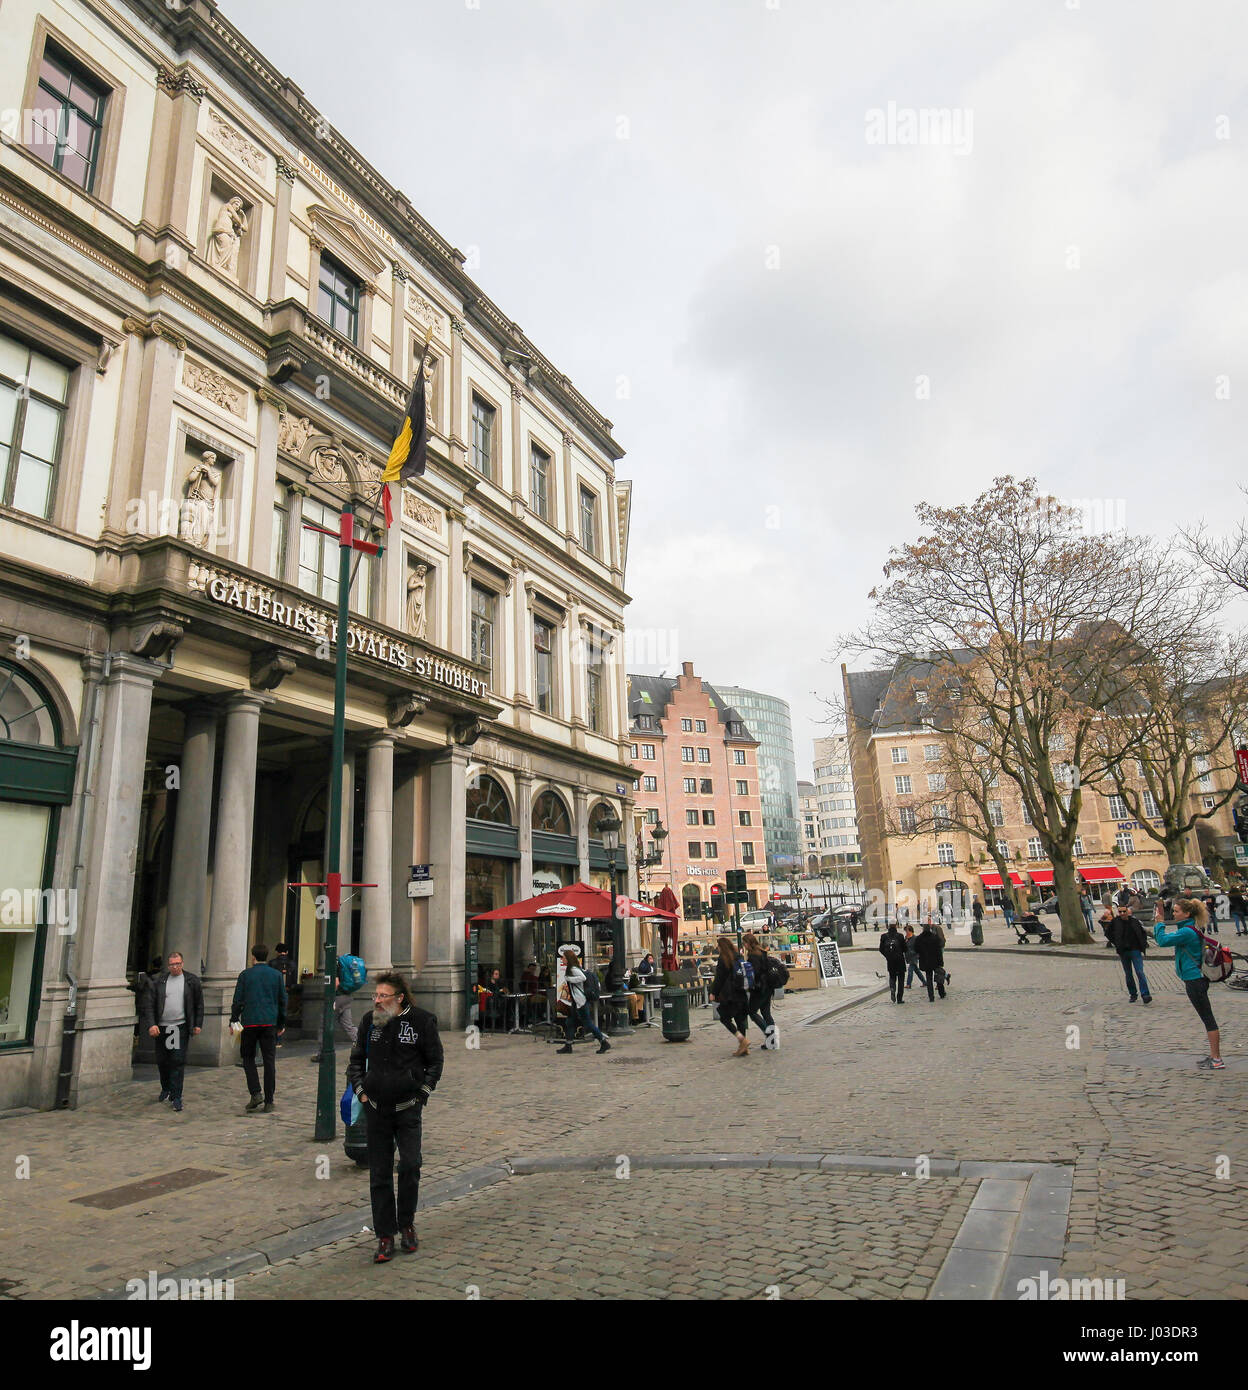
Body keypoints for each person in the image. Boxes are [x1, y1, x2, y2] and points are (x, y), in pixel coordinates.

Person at [347, 972, 444, 1263]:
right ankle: (385, 1235)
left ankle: (407, 1224)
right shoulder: (369, 1022)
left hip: (407, 1108)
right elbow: (355, 1060)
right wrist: (361, 1090)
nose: (377, 1000)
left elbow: (435, 1061)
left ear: (399, 998)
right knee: (379, 1174)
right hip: (376, 1108)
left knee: (410, 1165)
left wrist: (423, 1092)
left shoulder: (422, 1021)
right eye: (375, 996)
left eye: (382, 996)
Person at [1153, 897, 1223, 1069]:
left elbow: (1162, 941)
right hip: (1195, 978)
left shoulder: (1187, 932)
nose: (1174, 913)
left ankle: (1217, 1059)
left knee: (1208, 1019)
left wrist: (1159, 923)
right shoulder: (1189, 928)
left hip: (1195, 980)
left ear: (1187, 913)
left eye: (1176, 911)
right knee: (1207, 1018)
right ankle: (1214, 1056)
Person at [138, 951, 203, 1112]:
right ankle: (166, 1087)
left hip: (179, 1027)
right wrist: (151, 1024)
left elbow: (198, 1004)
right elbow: (149, 1004)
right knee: (163, 1060)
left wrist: (197, 1024)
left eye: (178, 964)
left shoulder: (191, 981)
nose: (175, 967)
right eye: (172, 964)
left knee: (177, 1060)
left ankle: (176, 1095)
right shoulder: (160, 980)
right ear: (168, 965)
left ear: (182, 963)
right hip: (163, 1027)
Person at [230, 942, 287, 1113]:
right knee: (269, 1061)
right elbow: (282, 1000)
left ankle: (255, 1092)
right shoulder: (276, 975)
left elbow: (238, 1001)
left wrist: (233, 1021)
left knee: (248, 1058)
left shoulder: (245, 975)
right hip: (269, 1022)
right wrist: (281, 1023)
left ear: (253, 956)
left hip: (250, 1022)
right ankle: (269, 1100)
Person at [555, 945, 611, 1055]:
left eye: (564, 958)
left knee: (588, 1024)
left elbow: (582, 977)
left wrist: (569, 979)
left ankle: (603, 1042)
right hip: (576, 1001)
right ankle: (568, 1045)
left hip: (580, 1001)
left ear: (568, 959)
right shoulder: (572, 968)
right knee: (570, 1022)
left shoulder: (573, 969)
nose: (562, 959)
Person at [312, 956, 362, 1063]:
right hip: (347, 997)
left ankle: (322, 1053)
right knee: (348, 1025)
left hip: (337, 998)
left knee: (324, 1024)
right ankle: (364, 1045)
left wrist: (331, 994)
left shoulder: (333, 965)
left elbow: (336, 982)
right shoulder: (343, 964)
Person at [709, 935, 751, 1056]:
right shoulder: (738, 956)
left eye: (718, 946)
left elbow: (719, 979)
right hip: (741, 992)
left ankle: (742, 1040)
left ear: (722, 947)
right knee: (740, 1019)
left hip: (730, 995)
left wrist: (713, 993)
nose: (718, 948)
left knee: (724, 1018)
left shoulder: (724, 959)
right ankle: (743, 1048)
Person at [1108, 902, 1152, 1004]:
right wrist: (1116, 942)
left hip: (1135, 950)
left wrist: (1143, 943)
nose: (1122, 913)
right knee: (1128, 974)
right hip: (1123, 951)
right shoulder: (1115, 922)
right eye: (1120, 912)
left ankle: (1145, 994)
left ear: (1128, 911)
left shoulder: (1134, 921)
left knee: (1140, 972)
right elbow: (1108, 933)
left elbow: (1142, 932)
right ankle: (1133, 994)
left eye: (1124, 911)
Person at [741, 932, 779, 1047]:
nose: (744, 946)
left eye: (744, 943)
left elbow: (755, 973)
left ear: (748, 943)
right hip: (768, 986)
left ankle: (769, 1036)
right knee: (766, 1013)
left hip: (759, 988)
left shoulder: (753, 956)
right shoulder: (762, 952)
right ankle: (772, 1041)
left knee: (752, 1012)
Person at [914, 923, 946, 1000]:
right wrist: (941, 961)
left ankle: (931, 996)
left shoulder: (919, 938)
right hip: (935, 961)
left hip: (925, 961)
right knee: (939, 976)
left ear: (923, 929)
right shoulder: (934, 938)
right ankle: (941, 993)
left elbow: (916, 949)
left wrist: (921, 954)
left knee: (929, 979)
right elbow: (939, 951)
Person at [878, 922, 907, 1002]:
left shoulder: (884, 936)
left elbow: (881, 949)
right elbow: (905, 948)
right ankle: (899, 998)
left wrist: (887, 956)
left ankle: (892, 988)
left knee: (892, 976)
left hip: (890, 960)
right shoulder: (900, 936)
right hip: (900, 960)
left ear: (888, 927)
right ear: (896, 927)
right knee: (901, 978)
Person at [903, 925, 926, 992]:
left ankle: (908, 984)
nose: (906, 932)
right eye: (905, 931)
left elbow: (918, 948)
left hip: (914, 956)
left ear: (910, 931)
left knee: (910, 970)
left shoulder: (915, 938)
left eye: (906, 931)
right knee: (917, 971)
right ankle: (924, 982)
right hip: (908, 957)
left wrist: (913, 952)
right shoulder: (906, 938)